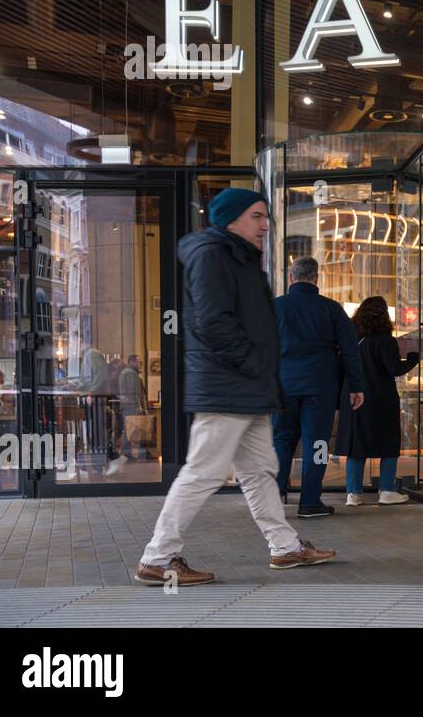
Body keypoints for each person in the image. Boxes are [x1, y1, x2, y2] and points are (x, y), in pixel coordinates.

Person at [136, 188, 333, 586]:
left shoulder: (239, 257)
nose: (265, 224)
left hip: (247, 386)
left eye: (265, 216)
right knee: (203, 473)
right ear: (231, 219)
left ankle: (284, 547)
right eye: (257, 216)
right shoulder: (213, 255)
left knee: (260, 472)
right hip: (226, 385)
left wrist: (260, 371)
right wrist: (254, 362)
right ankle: (157, 557)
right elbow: (213, 322)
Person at [272, 256, 365, 518]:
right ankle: (310, 502)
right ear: (316, 279)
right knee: (317, 445)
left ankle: (274, 498)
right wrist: (356, 386)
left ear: (291, 278)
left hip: (282, 387)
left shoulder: (274, 308)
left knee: (281, 440)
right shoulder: (332, 309)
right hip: (320, 389)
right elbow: (350, 352)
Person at [337, 295, 419, 506]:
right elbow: (394, 368)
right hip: (381, 399)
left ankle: (353, 494)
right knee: (388, 443)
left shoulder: (351, 339)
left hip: (354, 397)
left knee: (357, 445)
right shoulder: (386, 341)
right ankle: (386, 491)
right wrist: (413, 358)